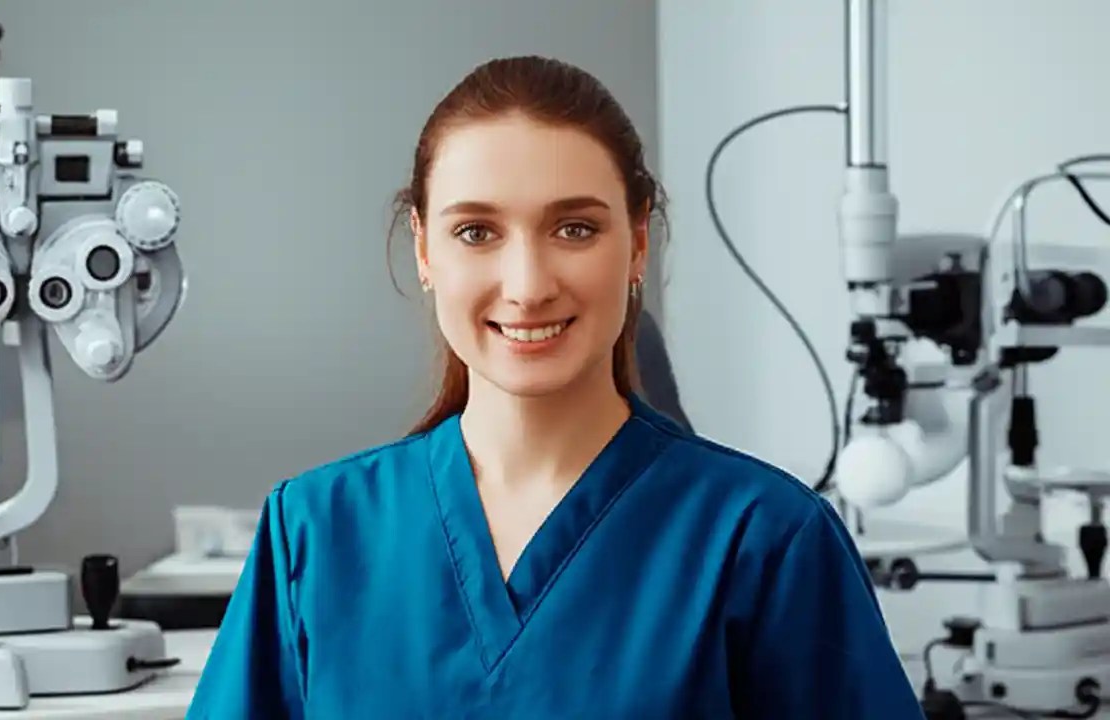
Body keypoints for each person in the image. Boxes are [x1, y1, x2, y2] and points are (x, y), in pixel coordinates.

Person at [186, 56, 923, 718]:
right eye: (476, 232)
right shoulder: (314, 531)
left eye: (574, 229)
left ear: (637, 243)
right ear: (423, 249)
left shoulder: (764, 538)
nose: (529, 286)